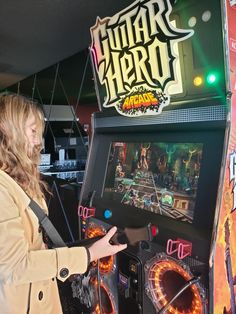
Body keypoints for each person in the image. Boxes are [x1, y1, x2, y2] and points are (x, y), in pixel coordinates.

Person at [0, 93, 127, 314]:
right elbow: (15, 267)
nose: (38, 142)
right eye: (32, 132)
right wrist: (87, 255)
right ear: (10, 133)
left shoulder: (15, 178)